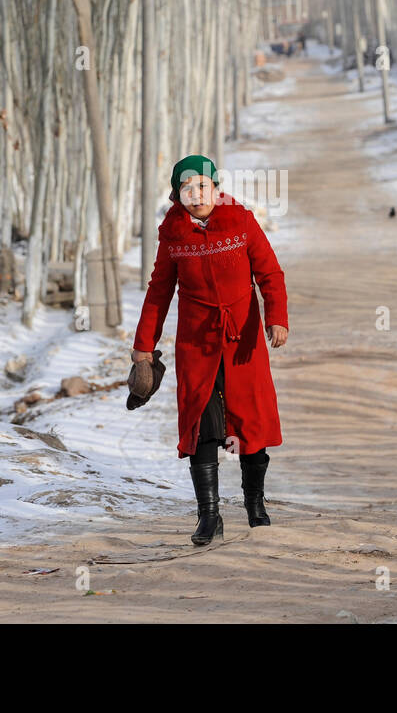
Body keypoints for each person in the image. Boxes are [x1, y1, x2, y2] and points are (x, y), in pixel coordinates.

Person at [131, 154, 289, 545]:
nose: (196, 194)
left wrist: (276, 317)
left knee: (250, 423)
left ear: (215, 189)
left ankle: (255, 504)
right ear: (176, 195)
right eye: (187, 189)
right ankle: (209, 516)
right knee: (201, 425)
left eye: (202, 186)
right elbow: (159, 290)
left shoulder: (241, 222)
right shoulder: (173, 235)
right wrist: (142, 348)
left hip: (243, 340)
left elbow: (269, 273)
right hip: (196, 344)